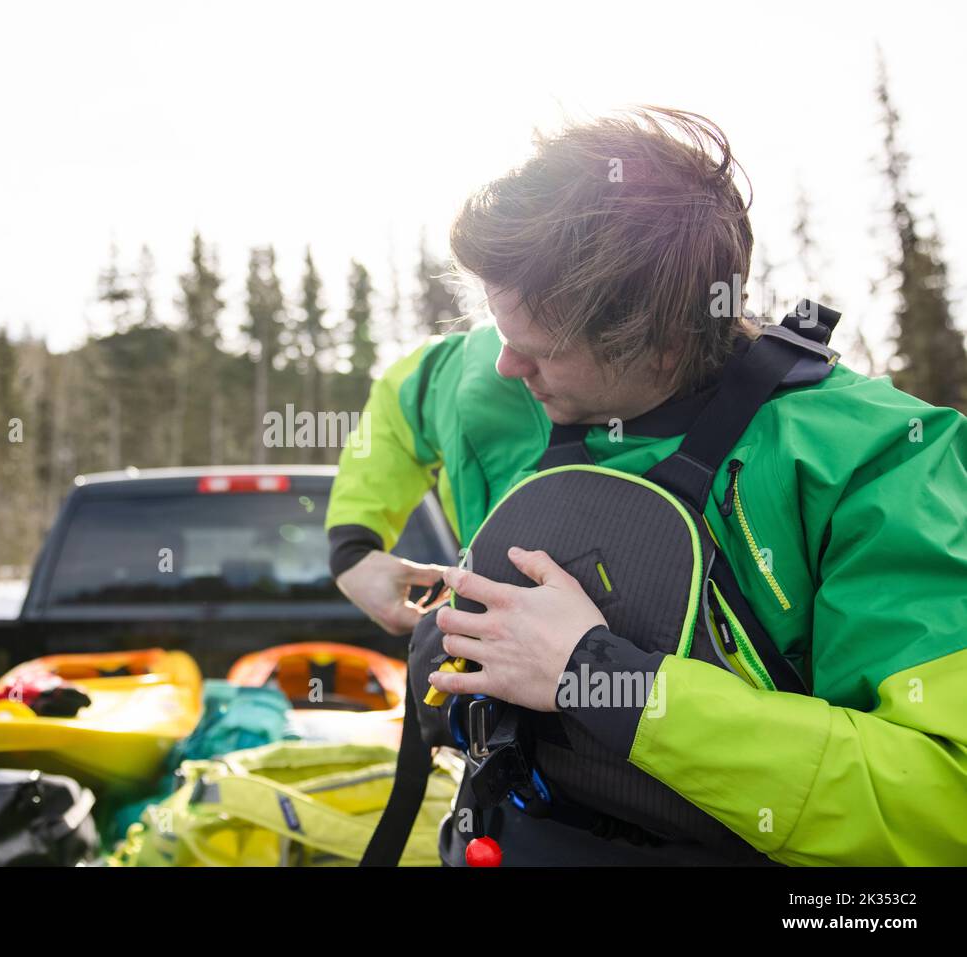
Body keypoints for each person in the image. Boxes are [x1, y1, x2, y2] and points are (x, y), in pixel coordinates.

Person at [326, 108, 967, 865]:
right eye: (502, 333)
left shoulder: (878, 461)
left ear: (660, 342)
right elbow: (405, 396)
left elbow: (939, 799)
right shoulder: (504, 377)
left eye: (536, 351)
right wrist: (355, 547)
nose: (506, 366)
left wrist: (600, 678)